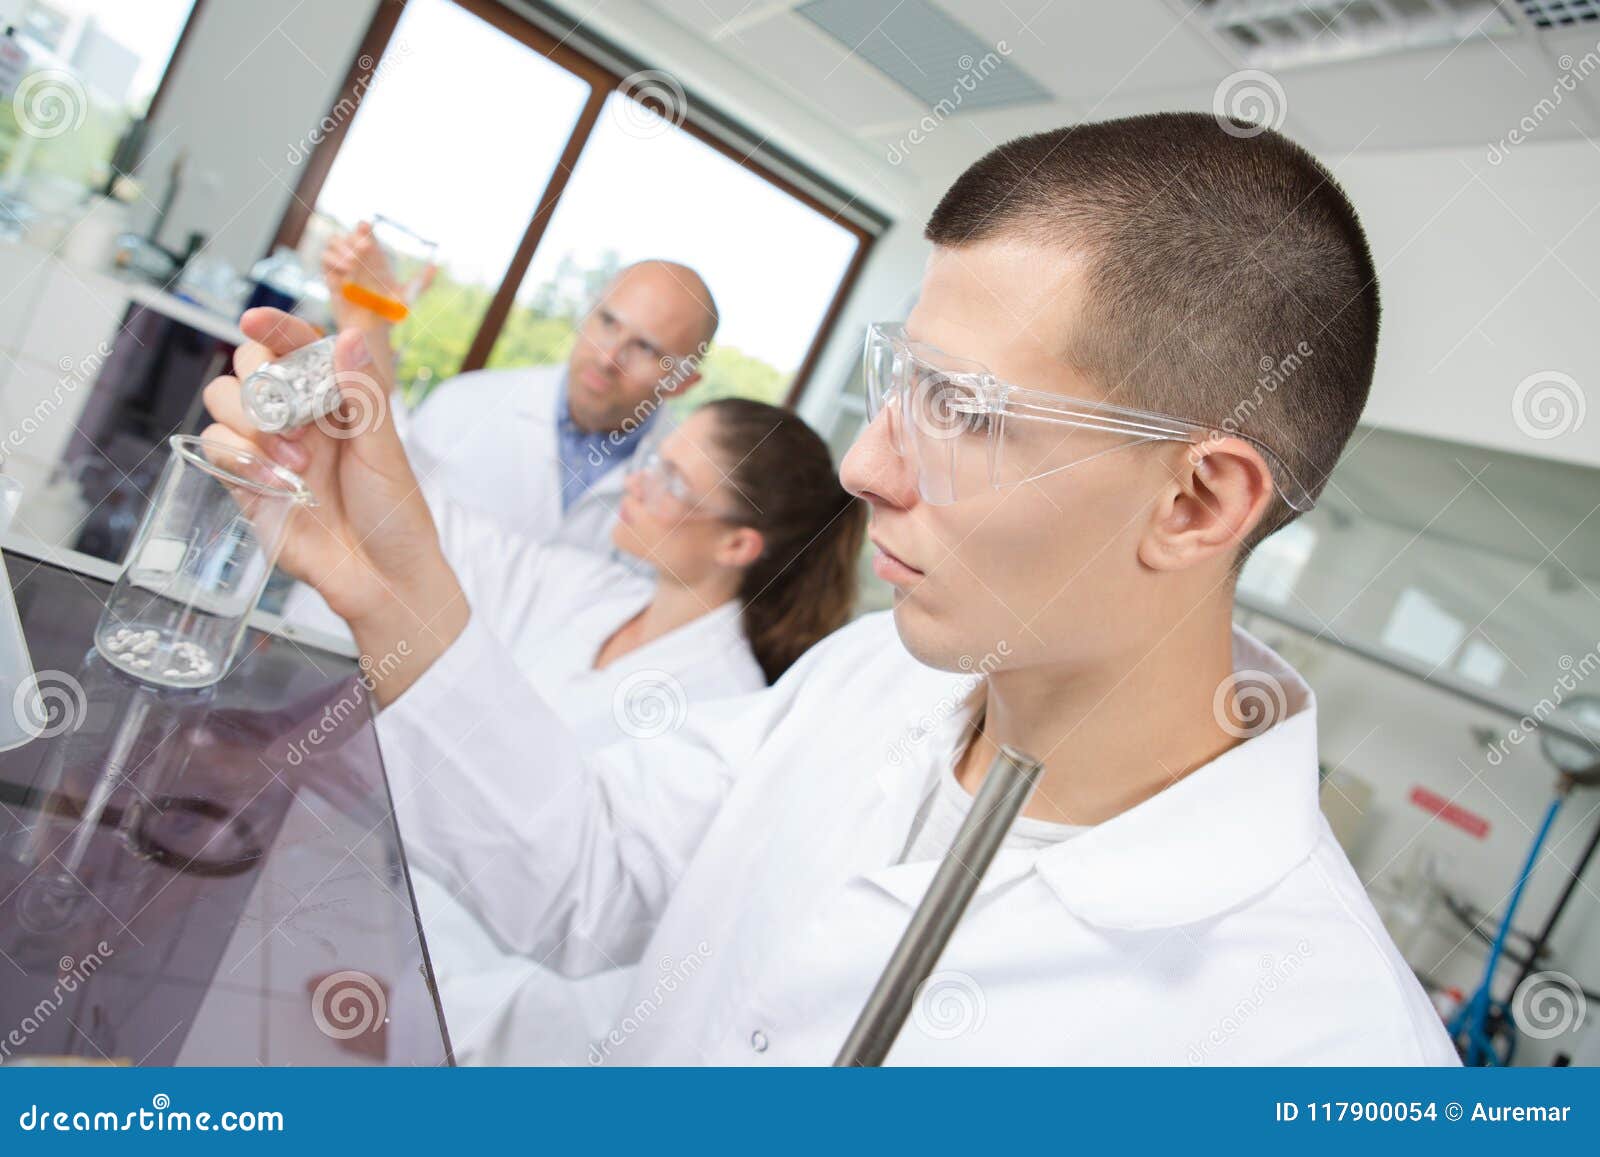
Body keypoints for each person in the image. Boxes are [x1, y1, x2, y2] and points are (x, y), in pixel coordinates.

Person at [203, 113, 1460, 1065]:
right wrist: (388, 587)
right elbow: (586, 877)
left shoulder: (1321, 1044)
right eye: (901, 383)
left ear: (1195, 501)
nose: (864, 467)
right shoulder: (868, 677)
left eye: (962, 408)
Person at [324, 225, 718, 552]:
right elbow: (377, 486)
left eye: (645, 348)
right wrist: (367, 327)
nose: (607, 358)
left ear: (682, 382)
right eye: (608, 322)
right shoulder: (466, 402)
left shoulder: (692, 501)